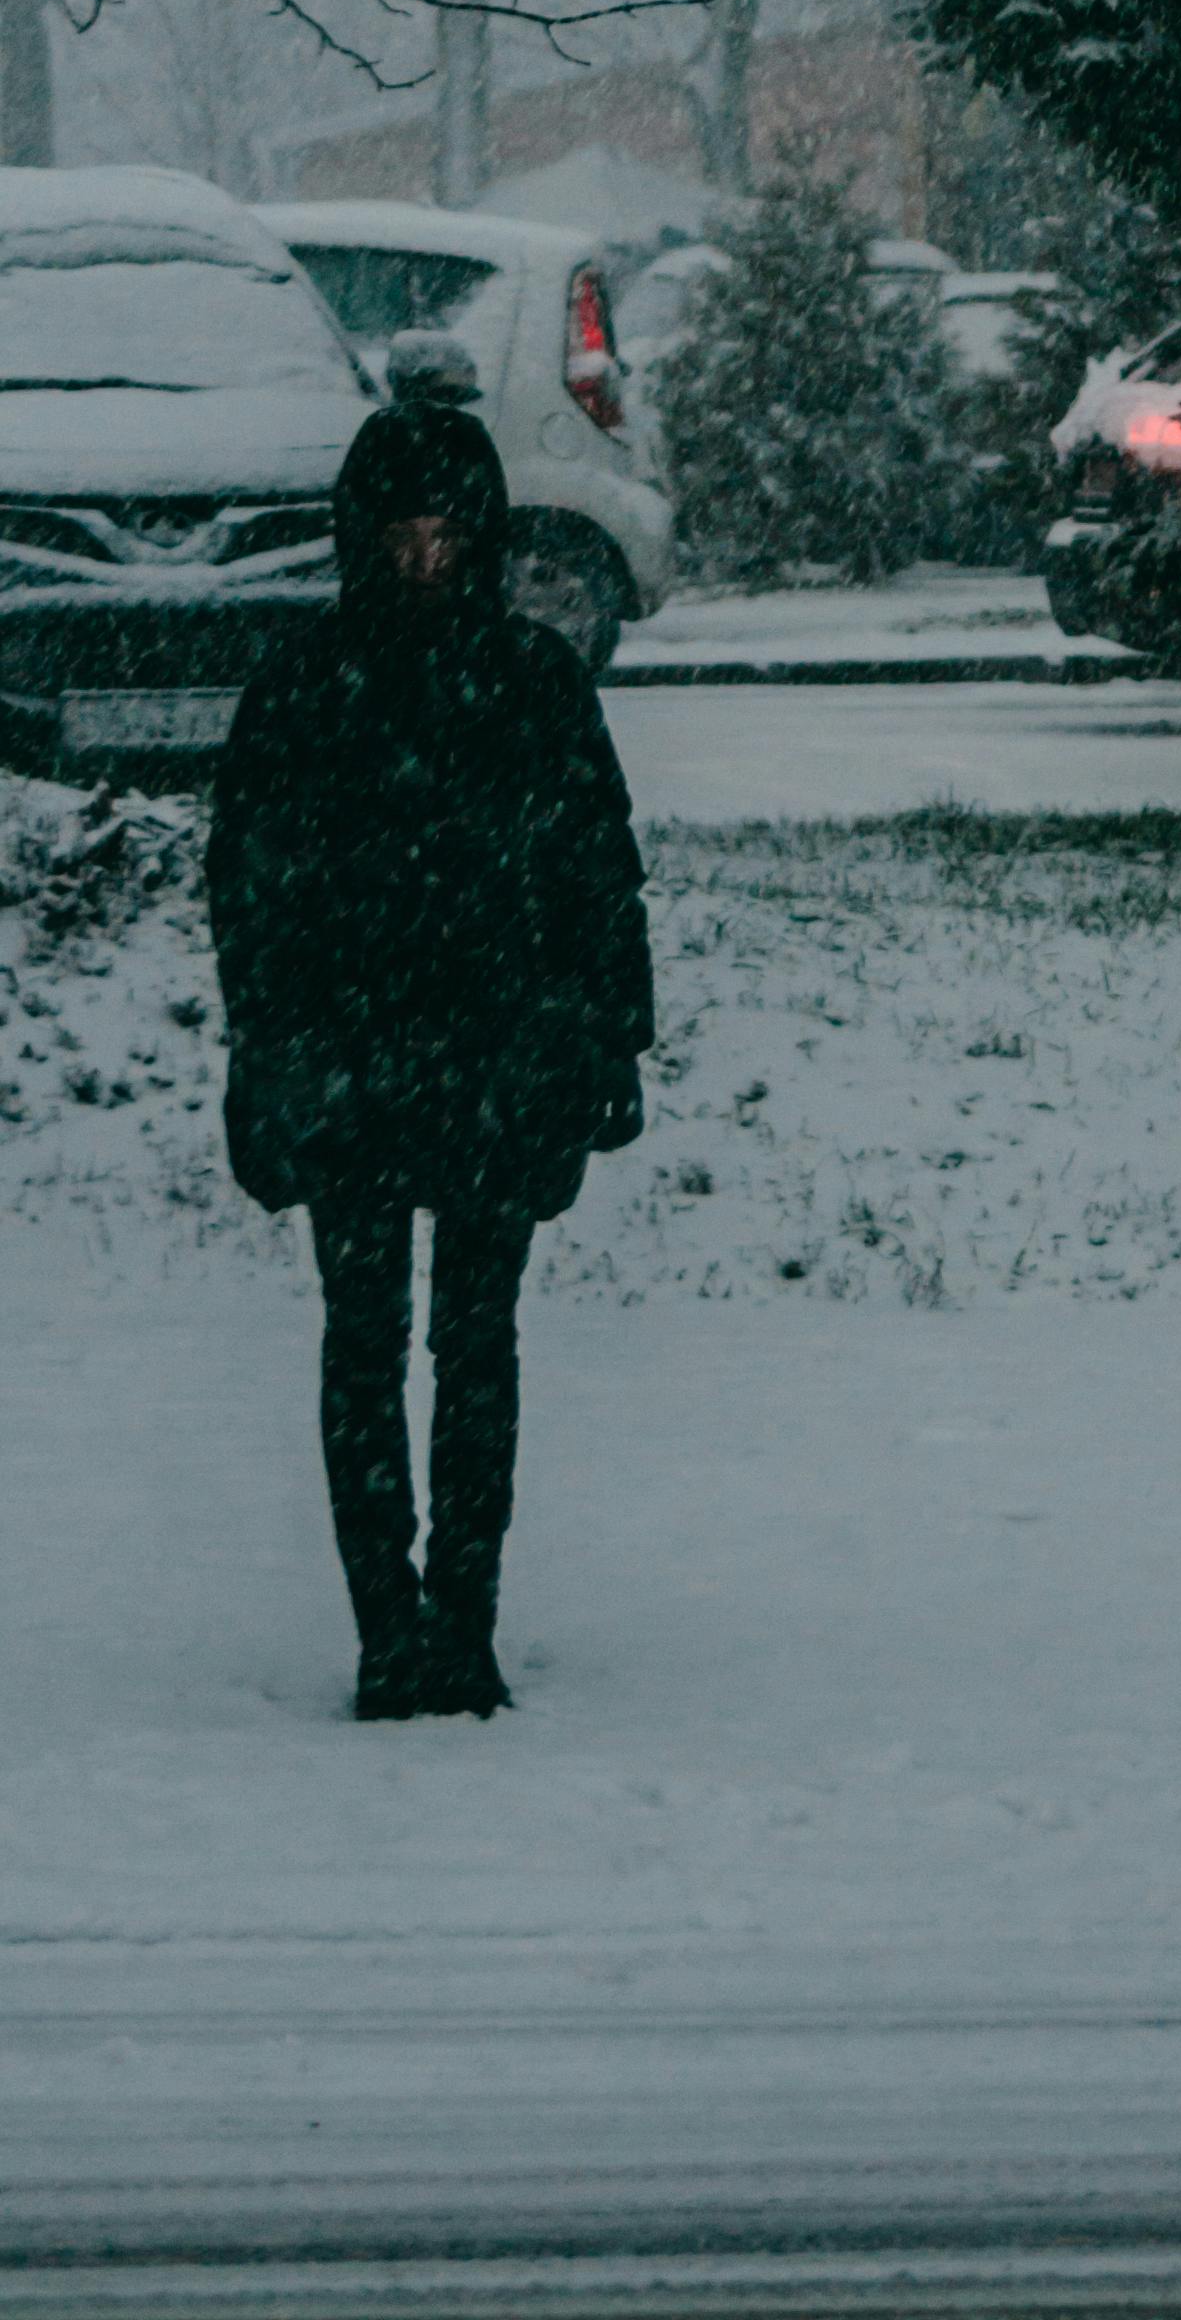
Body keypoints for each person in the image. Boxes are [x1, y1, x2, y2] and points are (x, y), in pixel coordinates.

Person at [207, 352, 653, 1721]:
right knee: (370, 1346)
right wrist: (271, 1051)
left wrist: (606, 1045)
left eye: (446, 532)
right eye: (402, 531)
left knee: (470, 1346)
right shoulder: (319, 689)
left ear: (482, 536)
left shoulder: (515, 686)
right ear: (361, 535)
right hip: (370, 1068)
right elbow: (252, 896)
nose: (422, 554)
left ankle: (458, 1615)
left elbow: (594, 879)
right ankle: (388, 1625)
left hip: (482, 1063)